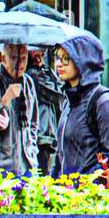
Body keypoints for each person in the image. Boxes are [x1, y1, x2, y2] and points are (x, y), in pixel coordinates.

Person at [53, 33, 109, 184]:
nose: (59, 64)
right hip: (70, 199)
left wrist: (86, 187)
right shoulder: (69, 100)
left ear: (83, 62)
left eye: (66, 59)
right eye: (58, 58)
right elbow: (61, 155)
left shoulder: (103, 102)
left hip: (95, 201)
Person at [0, 42, 39, 175]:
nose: (19, 64)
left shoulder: (28, 82)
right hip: (3, 163)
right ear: (3, 59)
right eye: (14, 58)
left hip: (28, 161)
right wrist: (5, 100)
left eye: (23, 59)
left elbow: (34, 121)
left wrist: (32, 146)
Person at [27, 47, 64, 175]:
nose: (39, 54)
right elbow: (58, 94)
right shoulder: (33, 74)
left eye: (42, 51)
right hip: (41, 134)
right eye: (35, 51)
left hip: (46, 132)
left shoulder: (43, 71)